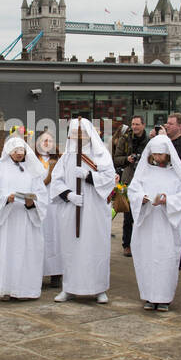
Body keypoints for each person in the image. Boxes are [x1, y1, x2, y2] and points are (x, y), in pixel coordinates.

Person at [50, 117, 116, 303]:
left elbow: (110, 178)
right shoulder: (67, 156)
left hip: (94, 211)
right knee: (72, 249)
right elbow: (56, 180)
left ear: (89, 134)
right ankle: (69, 288)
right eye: (74, 133)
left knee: (95, 248)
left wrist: (89, 176)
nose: (78, 137)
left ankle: (99, 288)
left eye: (82, 133)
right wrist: (68, 195)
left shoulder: (101, 154)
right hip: (72, 209)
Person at [128, 134, 181, 311]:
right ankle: (149, 296)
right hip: (147, 223)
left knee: (165, 259)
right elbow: (133, 190)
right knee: (147, 259)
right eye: (154, 154)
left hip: (166, 225)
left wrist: (168, 201)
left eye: (161, 155)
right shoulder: (144, 172)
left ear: (168, 154)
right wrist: (142, 199)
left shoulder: (177, 174)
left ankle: (164, 297)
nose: (157, 158)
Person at [0, 136, 49, 301]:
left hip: (26, 219)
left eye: (21, 151)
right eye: (15, 151)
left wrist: (31, 203)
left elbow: (41, 193)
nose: (19, 154)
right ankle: (6, 288)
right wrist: (6, 199)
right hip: (7, 219)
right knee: (7, 253)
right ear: (9, 152)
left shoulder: (32, 169)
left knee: (25, 253)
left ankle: (25, 290)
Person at [114, 115, 148, 257]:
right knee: (128, 215)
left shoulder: (149, 141)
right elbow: (116, 159)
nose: (135, 127)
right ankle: (127, 245)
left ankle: (142, 244)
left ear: (143, 125)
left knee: (144, 214)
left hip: (145, 180)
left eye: (137, 124)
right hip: (128, 179)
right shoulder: (124, 139)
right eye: (133, 124)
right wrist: (127, 159)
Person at [35, 131, 64, 288]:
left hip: (54, 204)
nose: (47, 143)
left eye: (50, 140)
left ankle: (56, 273)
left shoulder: (60, 159)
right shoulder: (31, 159)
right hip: (38, 204)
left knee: (55, 237)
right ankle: (37, 272)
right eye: (44, 140)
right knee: (39, 238)